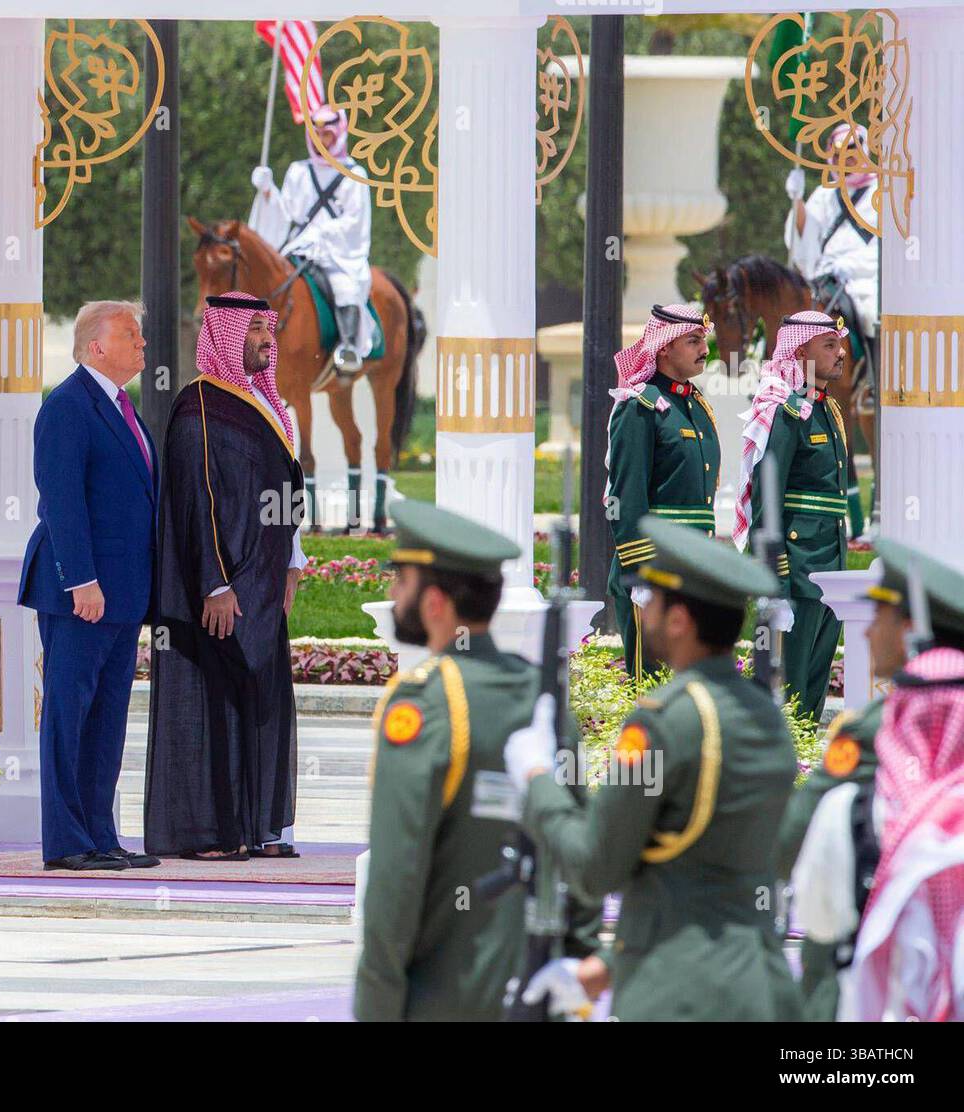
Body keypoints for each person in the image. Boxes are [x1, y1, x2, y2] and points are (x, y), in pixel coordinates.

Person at [507, 518, 801, 1021]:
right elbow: (704, 876)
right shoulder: (766, 718)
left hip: (679, 996)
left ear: (680, 619)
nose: (642, 608)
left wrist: (538, 780)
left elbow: (595, 866)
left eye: (651, 597)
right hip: (763, 989)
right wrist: (602, 968)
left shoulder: (663, 722)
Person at [354, 499, 600, 1022]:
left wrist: (376, 1007)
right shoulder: (543, 698)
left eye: (402, 578)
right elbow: (581, 859)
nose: (394, 592)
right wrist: (576, 971)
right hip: (541, 995)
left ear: (436, 601)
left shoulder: (426, 703)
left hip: (446, 999)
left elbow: (396, 881)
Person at [144, 293, 306, 860]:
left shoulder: (267, 403)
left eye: (268, 327)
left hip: (264, 585)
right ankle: (207, 833)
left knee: (261, 702)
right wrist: (215, 583)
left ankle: (258, 826)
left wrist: (293, 564)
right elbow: (195, 501)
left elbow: (286, 489)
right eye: (255, 328)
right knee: (211, 706)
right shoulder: (200, 407)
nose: (266, 338)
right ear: (225, 334)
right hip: (216, 593)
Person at [789, 539, 964, 1022]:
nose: (866, 632)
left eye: (880, 614)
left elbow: (795, 849)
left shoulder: (871, 733)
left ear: (910, 629)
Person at [18, 301, 160, 872]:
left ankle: (101, 835)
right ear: (96, 347)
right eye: (131, 335)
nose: (143, 344)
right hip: (81, 593)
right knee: (69, 716)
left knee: (107, 718)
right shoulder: (68, 407)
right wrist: (82, 580)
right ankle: (68, 841)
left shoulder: (123, 408)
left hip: (122, 594)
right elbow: (62, 502)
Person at [735, 310, 850, 722]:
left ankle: (802, 759)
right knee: (788, 682)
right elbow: (767, 496)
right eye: (830, 346)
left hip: (828, 568)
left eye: (840, 345)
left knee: (815, 682)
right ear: (800, 351)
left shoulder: (827, 410)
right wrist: (774, 578)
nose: (840, 355)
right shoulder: (786, 412)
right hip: (797, 569)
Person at [604, 303, 720, 683]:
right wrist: (639, 573)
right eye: (693, 341)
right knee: (652, 687)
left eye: (703, 339)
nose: (704, 349)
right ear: (664, 348)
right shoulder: (641, 407)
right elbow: (626, 496)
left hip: (694, 568)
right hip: (655, 567)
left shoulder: (696, 405)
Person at [784, 122, 876, 540]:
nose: (850, 158)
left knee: (873, 313)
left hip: (868, 276)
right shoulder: (824, 196)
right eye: (842, 152)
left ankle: (875, 383)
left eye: (856, 150)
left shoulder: (884, 192)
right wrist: (798, 205)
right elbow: (804, 248)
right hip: (828, 280)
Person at [250, 105, 372, 375]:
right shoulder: (298, 171)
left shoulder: (355, 174)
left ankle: (348, 346)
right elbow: (287, 213)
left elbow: (356, 220)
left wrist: (324, 231)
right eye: (316, 134)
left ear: (338, 134)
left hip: (337, 252)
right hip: (301, 245)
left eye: (326, 135)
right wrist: (268, 190)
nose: (321, 140)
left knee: (345, 287)